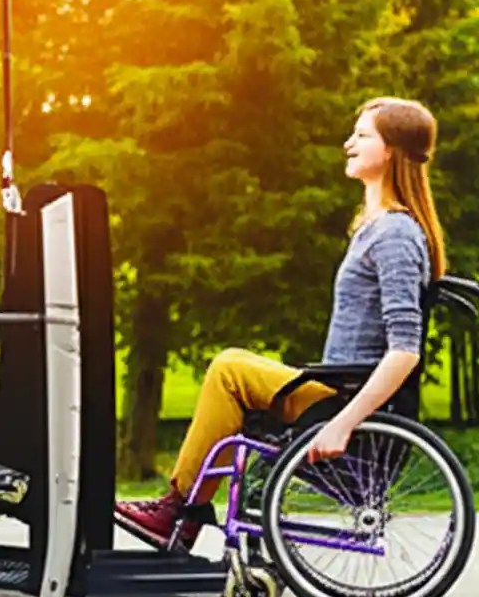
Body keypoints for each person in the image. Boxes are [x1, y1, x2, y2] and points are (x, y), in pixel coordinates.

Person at [113, 96, 448, 551]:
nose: (348, 142)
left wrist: (343, 424)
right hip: (334, 387)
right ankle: (182, 514)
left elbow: (405, 349)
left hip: (341, 397)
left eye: (363, 135)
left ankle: (179, 512)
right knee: (232, 377)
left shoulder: (396, 235)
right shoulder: (374, 227)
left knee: (230, 368)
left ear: (390, 150)